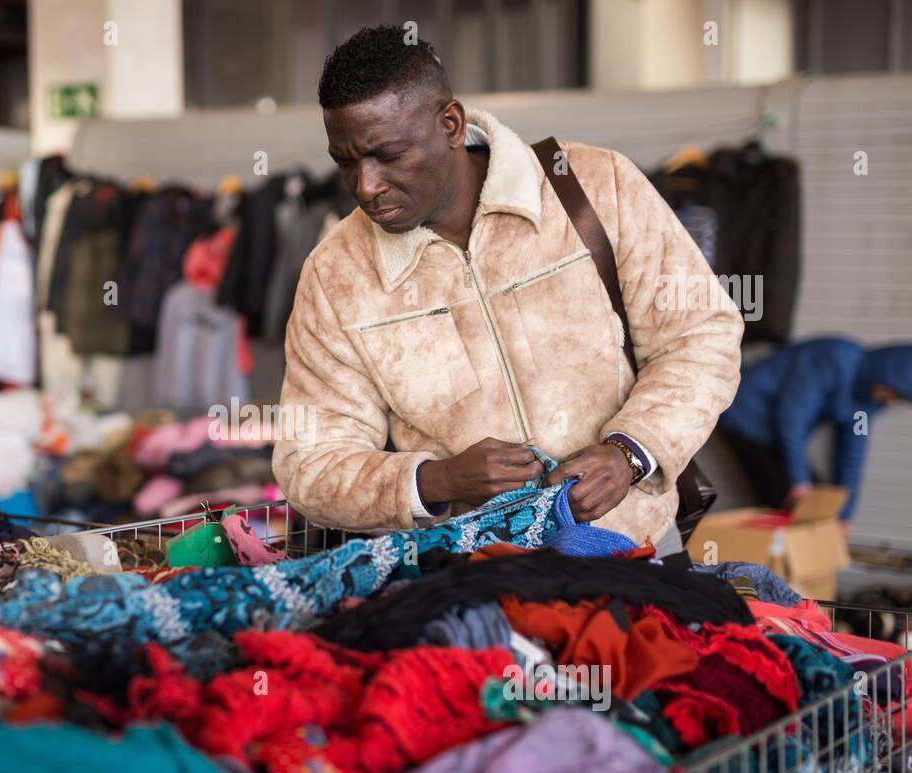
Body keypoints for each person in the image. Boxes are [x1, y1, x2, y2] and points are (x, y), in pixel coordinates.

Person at [272, 27, 743, 553]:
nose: (366, 186)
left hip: (636, 550)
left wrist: (628, 453)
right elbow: (310, 461)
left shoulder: (596, 188)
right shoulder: (336, 275)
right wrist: (436, 481)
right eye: (346, 163)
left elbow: (701, 338)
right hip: (465, 576)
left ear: (450, 124)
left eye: (388, 155)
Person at [718, 336, 912, 528]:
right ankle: (769, 552)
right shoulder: (834, 357)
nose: (891, 401)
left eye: (900, 398)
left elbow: (852, 452)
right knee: (787, 498)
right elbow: (792, 419)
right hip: (746, 413)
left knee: (819, 504)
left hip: (777, 431)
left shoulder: (865, 404)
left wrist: (845, 516)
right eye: (894, 393)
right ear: (885, 375)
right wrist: (800, 481)